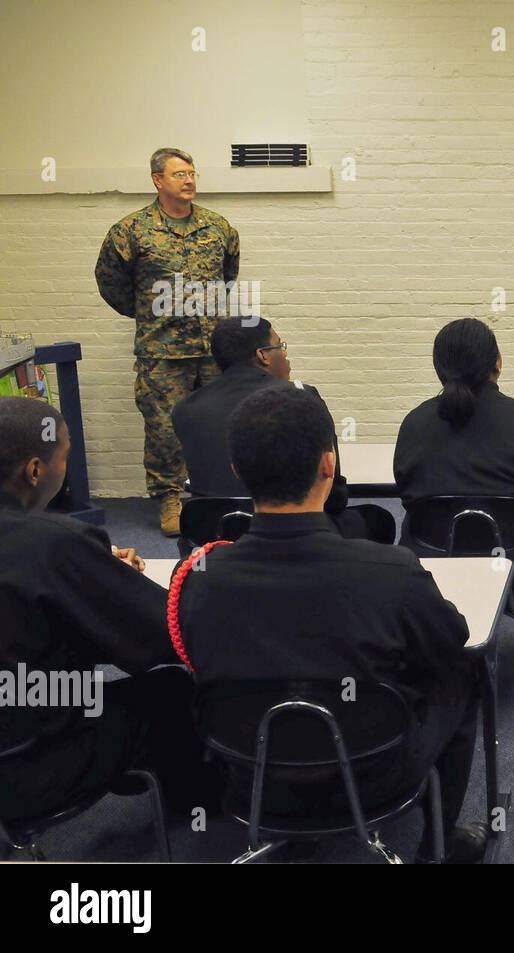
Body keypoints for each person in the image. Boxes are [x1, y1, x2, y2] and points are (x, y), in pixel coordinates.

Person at [167, 386, 486, 861]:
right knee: (464, 671)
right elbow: (451, 639)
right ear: (328, 464)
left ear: (236, 469)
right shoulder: (391, 571)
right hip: (373, 774)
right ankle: (437, 847)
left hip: (250, 778)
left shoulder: (195, 579)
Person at [0, 397, 216, 831]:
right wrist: (102, 578)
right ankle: (199, 812)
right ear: (35, 471)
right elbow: (157, 636)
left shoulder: (53, 545)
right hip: (27, 768)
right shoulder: (55, 542)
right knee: (172, 689)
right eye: (64, 458)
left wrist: (92, 569)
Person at [394, 318, 514, 670]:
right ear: (498, 362)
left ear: (438, 367)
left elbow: (406, 492)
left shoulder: (413, 424)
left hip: (432, 566)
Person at [95, 147, 240, 537]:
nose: (189, 180)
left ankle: (221, 495)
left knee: (221, 424)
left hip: (212, 349)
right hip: (162, 351)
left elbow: (227, 277)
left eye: (192, 173)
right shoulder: (131, 231)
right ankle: (170, 498)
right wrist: (148, 312)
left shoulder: (218, 227)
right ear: (157, 180)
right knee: (164, 430)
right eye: (179, 174)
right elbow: (110, 283)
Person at [172, 317, 392, 543]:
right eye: (280, 346)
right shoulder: (304, 398)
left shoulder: (185, 408)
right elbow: (333, 492)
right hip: (296, 536)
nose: (285, 354)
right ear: (263, 355)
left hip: (211, 535)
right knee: (376, 519)